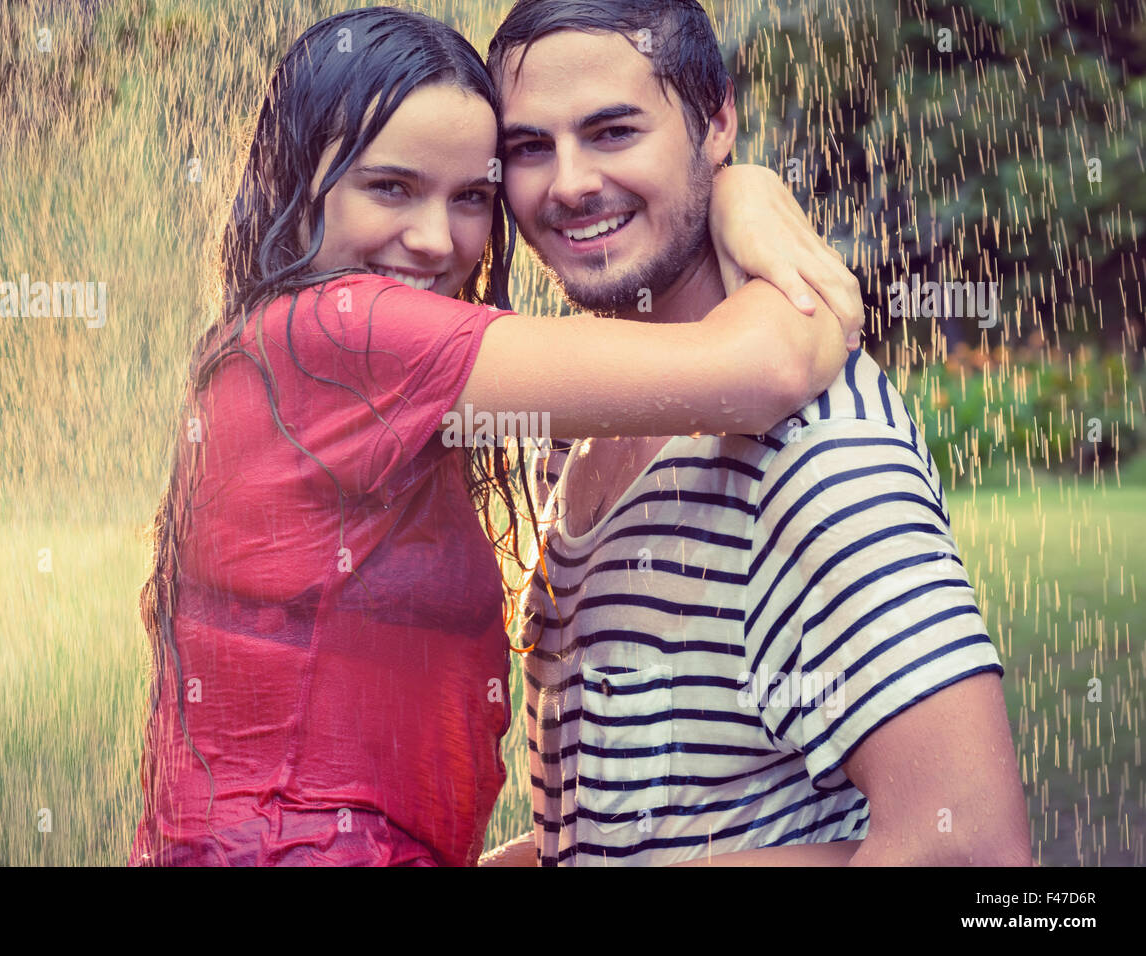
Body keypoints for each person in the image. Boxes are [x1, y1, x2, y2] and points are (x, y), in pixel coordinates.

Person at [128, 5, 861, 867]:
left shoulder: (286, 349)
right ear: (295, 183)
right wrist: (743, 192)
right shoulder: (343, 333)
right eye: (390, 188)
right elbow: (769, 368)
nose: (437, 241)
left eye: (472, 197)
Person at [480, 0, 1032, 866]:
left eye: (615, 131)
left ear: (717, 123)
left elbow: (969, 850)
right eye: (528, 147)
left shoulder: (814, 446)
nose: (568, 182)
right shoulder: (585, 425)